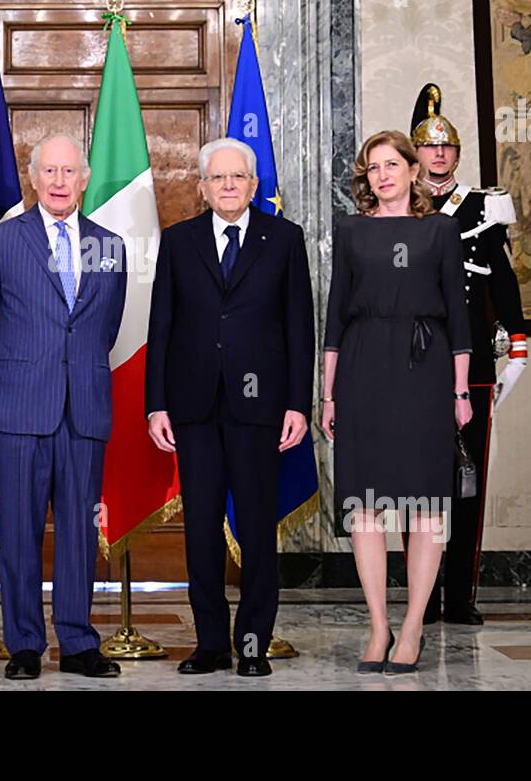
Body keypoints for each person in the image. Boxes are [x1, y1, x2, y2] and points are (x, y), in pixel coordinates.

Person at [145, 137, 314, 678]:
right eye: (217, 178)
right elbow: (161, 326)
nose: (228, 185)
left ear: (254, 184)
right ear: (201, 188)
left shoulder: (284, 239)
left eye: (237, 177)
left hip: (261, 409)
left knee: (258, 529)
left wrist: (298, 403)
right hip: (194, 408)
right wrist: (156, 405)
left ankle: (253, 643)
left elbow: (299, 327)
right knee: (200, 531)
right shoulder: (179, 241)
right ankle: (211, 643)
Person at [0, 133, 127, 680]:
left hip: (83, 406)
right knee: (18, 530)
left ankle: (79, 642)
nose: (60, 182)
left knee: (80, 531)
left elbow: (106, 327)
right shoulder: (1, 241)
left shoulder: (110, 245)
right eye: (50, 171)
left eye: (69, 172)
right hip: (19, 407)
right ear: (33, 178)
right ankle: (24, 644)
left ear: (84, 179)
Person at [320, 129, 472, 675]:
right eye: (373, 167)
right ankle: (379, 626)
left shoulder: (441, 230)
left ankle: (412, 629)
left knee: (425, 505)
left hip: (425, 370)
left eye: (391, 164)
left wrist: (460, 390)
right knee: (366, 504)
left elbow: (459, 317)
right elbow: (336, 315)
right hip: (363, 368)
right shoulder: (351, 230)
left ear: (412, 170)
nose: (382, 175)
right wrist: (328, 393)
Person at [408, 84, 529, 624]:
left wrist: (518, 346)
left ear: (457, 154)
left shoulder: (484, 205)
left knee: (468, 479)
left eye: (446, 147)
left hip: (473, 359)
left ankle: (460, 596)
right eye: (429, 146)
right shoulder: (402, 204)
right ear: (416, 153)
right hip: (415, 360)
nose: (438, 154)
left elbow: (502, 280)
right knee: (417, 482)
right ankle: (422, 596)